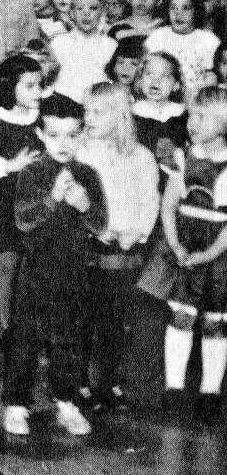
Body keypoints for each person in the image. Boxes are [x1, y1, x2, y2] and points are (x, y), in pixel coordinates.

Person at [2, 96, 106, 437]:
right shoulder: (33, 172)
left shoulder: (88, 174)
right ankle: (17, 404)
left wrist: (85, 204)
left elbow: (101, 224)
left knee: (70, 339)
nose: (64, 143)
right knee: (25, 340)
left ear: (82, 136)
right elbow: (22, 219)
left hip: (75, 270)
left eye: (72, 135)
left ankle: (67, 402)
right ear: (41, 135)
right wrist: (53, 199)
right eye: (56, 135)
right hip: (36, 270)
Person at [145, 85, 227, 424]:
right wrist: (177, 244)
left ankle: (210, 390)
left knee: (215, 321)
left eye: (203, 117)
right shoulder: (183, 158)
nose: (193, 122)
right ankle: (174, 387)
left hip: (218, 250)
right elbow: (169, 206)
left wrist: (209, 253)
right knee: (181, 314)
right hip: (185, 243)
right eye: (192, 114)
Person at [76, 82, 159, 412]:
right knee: (82, 319)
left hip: (124, 251)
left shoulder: (140, 156)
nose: (89, 118)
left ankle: (108, 383)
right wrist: (96, 228)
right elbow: (79, 201)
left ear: (121, 116)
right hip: (88, 247)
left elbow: (149, 200)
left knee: (115, 321)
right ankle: (77, 383)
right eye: (86, 111)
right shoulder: (81, 151)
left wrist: (137, 232)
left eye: (98, 112)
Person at [0, 56, 45, 335]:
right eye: (29, 86)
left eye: (40, 85)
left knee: (36, 261)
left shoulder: (41, 118)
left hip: (38, 198)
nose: (37, 92)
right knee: (7, 260)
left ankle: (34, 323)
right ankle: (5, 326)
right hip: (4, 198)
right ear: (9, 87)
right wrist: (10, 166)